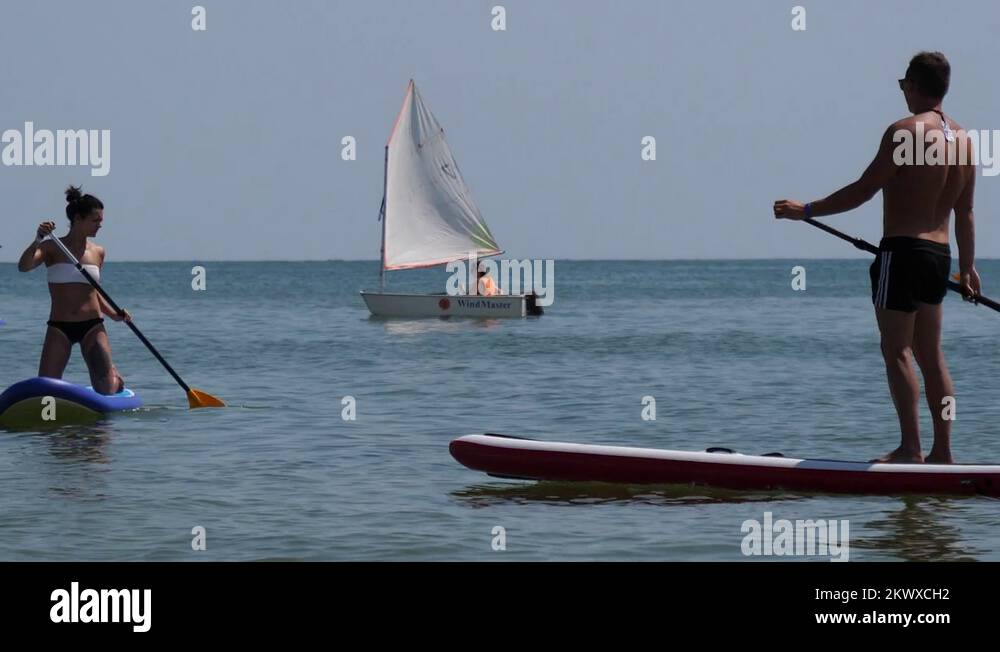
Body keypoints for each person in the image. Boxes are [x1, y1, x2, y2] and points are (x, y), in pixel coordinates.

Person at [773, 52, 979, 464]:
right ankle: (942, 453)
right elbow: (965, 212)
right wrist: (969, 268)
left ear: (916, 86)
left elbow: (864, 190)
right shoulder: (965, 140)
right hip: (940, 255)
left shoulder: (904, 132)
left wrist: (807, 210)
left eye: (904, 84)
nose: (902, 92)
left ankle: (910, 448)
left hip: (902, 252)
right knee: (931, 356)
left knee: (897, 351)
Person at [17, 186, 132, 395]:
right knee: (45, 389)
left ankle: (114, 378)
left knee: (105, 390)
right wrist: (38, 239)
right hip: (59, 327)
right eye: (95, 220)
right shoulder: (52, 247)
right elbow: (23, 266)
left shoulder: (98, 252)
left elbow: (93, 291)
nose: (100, 225)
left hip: (92, 326)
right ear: (78, 219)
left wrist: (114, 315)